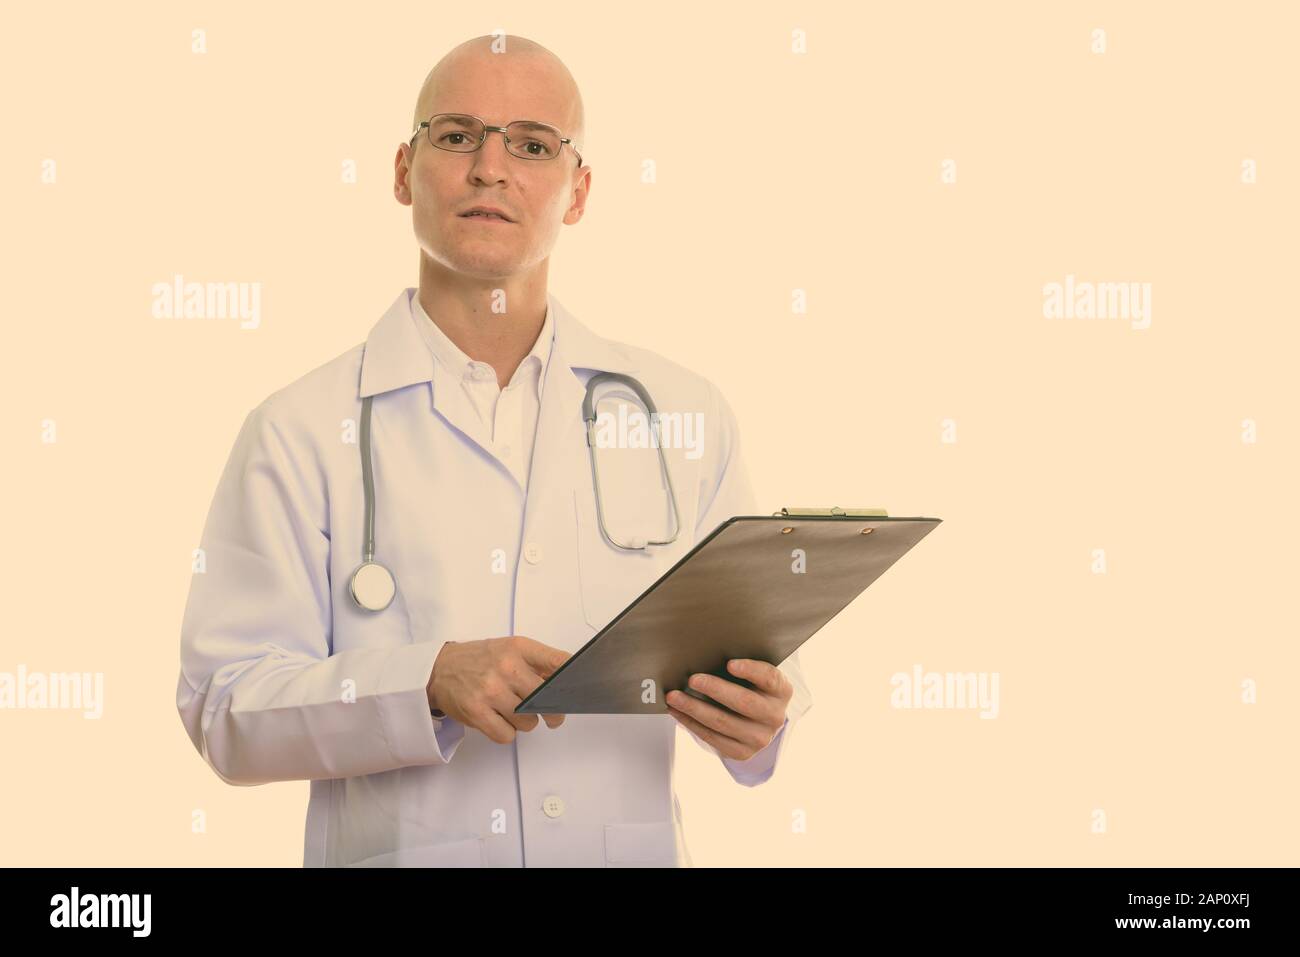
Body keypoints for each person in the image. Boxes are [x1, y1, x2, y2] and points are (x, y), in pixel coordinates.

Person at [176, 33, 812, 867]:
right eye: (458, 135)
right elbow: (225, 707)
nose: (491, 167)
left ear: (577, 191)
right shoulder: (298, 428)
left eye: (533, 145)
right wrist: (422, 681)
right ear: (403, 171)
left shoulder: (680, 414)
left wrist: (763, 719)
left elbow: (765, 668)